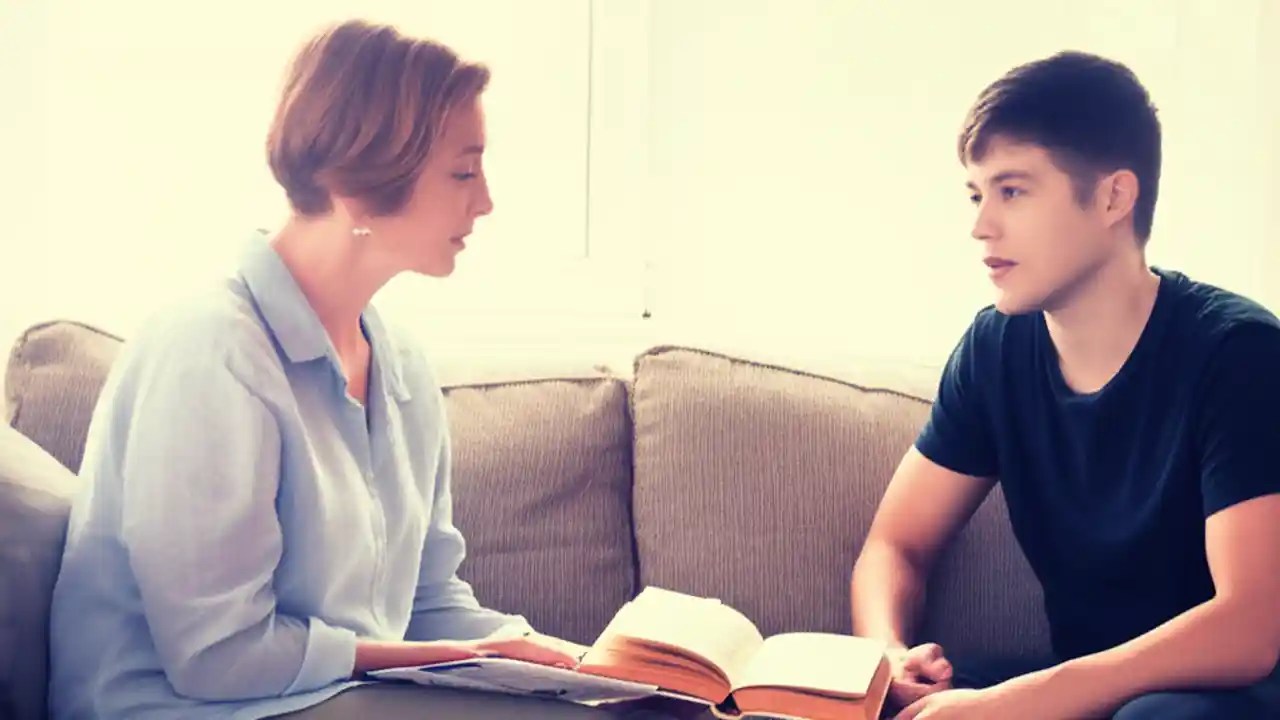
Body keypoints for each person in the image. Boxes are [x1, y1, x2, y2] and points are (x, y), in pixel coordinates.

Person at [47, 19, 589, 719]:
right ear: (357, 183)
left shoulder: (404, 370)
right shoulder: (211, 353)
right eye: (463, 171)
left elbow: (428, 604)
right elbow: (218, 660)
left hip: (333, 696)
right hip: (179, 706)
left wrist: (572, 664)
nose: (484, 201)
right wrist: (465, 664)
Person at [850, 51, 1280, 719]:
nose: (981, 225)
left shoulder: (1239, 352)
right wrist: (887, 656)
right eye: (976, 193)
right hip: (1086, 690)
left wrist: (1022, 702)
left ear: (1113, 196)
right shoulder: (995, 350)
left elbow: (1251, 628)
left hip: (1235, 696)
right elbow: (895, 545)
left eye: (1012, 190)